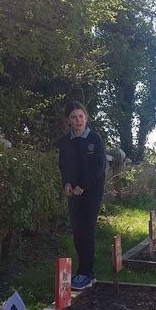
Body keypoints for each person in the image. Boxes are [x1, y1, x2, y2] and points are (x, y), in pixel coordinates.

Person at [58, 101, 106, 290]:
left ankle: (87, 273)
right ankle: (83, 272)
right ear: (68, 120)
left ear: (86, 118)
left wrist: (83, 185)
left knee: (87, 230)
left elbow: (99, 166)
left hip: (91, 191)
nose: (78, 120)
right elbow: (64, 165)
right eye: (74, 117)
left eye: (81, 116)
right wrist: (67, 183)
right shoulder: (65, 142)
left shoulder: (94, 139)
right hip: (74, 192)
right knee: (77, 232)